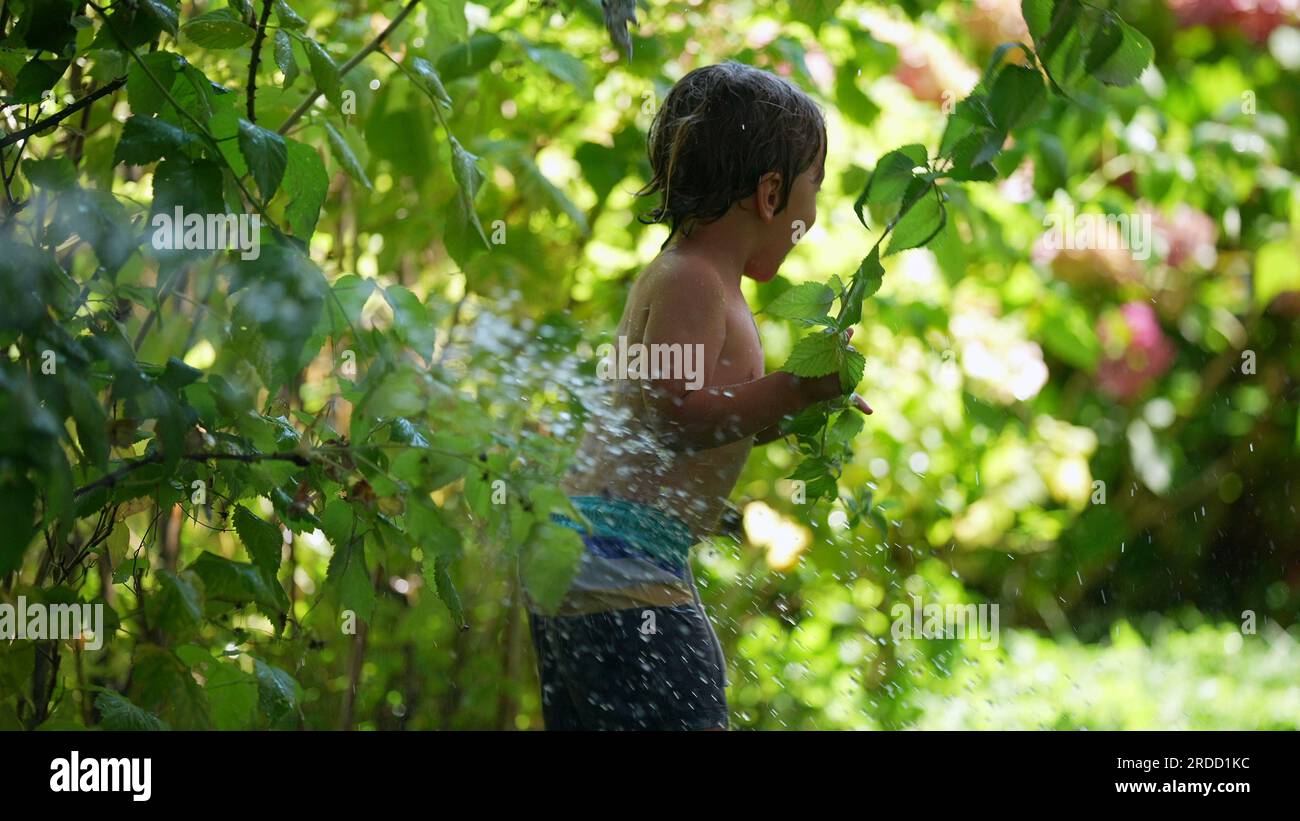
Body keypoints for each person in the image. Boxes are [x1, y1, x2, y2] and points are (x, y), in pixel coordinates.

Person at [525, 61, 872, 730]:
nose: (816, 211)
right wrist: (793, 386)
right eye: (815, 188)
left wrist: (800, 404)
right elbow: (676, 415)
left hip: (597, 560)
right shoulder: (691, 282)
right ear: (771, 195)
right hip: (620, 563)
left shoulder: (701, 280)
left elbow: (713, 417)